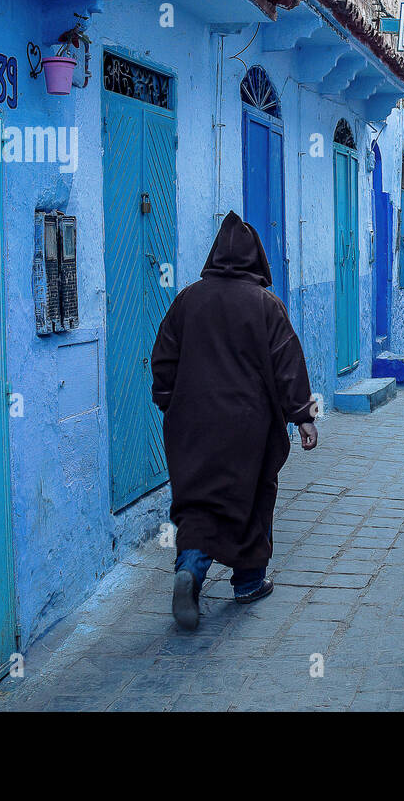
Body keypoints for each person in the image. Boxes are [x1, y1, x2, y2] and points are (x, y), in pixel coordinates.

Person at [151, 212, 318, 630]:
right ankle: (248, 582)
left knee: (198, 500)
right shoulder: (266, 305)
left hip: (192, 423)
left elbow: (163, 356)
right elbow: (287, 364)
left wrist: (169, 401)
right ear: (256, 259)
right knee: (252, 497)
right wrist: (304, 417)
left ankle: (190, 566)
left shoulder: (188, 299)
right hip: (249, 426)